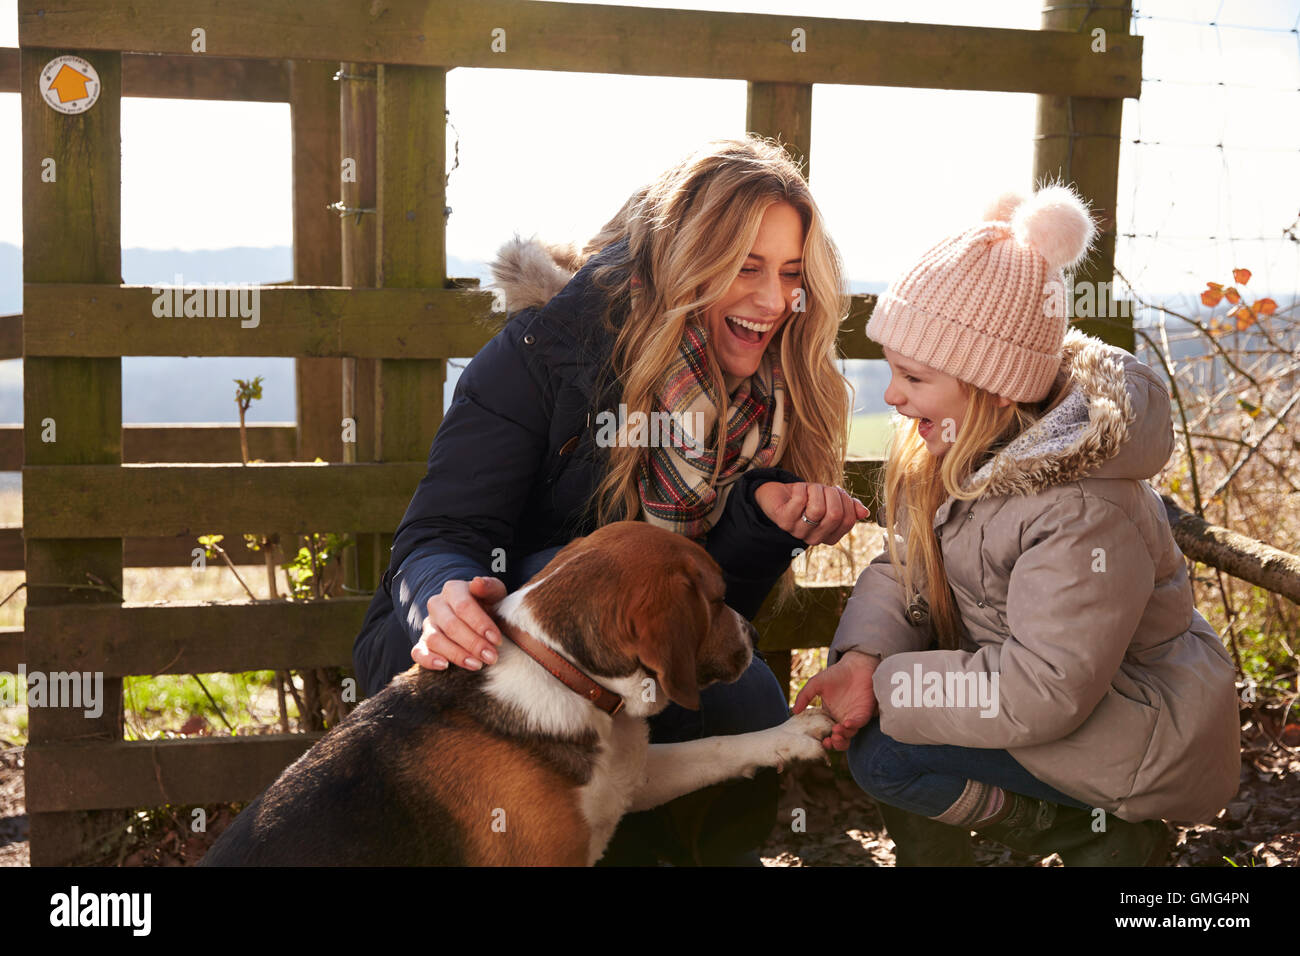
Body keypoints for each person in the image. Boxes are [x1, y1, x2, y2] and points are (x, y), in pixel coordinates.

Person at [351, 136, 869, 865]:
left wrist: (760, 527)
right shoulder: (548, 351)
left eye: (789, 273)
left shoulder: (767, 396)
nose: (773, 299)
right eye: (744, 267)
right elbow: (443, 529)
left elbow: (697, 608)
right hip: (476, 656)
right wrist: (440, 597)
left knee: (748, 700)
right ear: (687, 261)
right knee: (574, 566)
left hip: (626, 673)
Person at [793, 183, 1241, 866]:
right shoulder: (955, 451)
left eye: (913, 375)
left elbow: (1046, 689)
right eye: (890, 369)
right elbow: (904, 570)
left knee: (890, 740)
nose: (891, 394)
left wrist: (884, 687)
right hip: (1052, 707)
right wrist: (865, 659)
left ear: (994, 384)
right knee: (880, 715)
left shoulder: (1081, 511)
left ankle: (1105, 840)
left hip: (1138, 734)